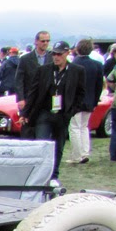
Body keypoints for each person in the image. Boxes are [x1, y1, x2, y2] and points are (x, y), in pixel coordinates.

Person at [26, 41, 86, 180]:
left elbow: (81, 93)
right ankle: (40, 176)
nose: (56, 57)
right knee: (42, 144)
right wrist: (26, 113)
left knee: (58, 146)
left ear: (67, 53)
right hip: (44, 113)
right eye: (54, 54)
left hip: (63, 114)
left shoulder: (77, 70)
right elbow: (33, 92)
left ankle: (54, 176)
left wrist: (72, 111)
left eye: (59, 54)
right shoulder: (44, 70)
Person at [68, 39, 103, 165]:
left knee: (74, 128)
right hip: (90, 100)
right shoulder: (97, 65)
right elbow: (99, 86)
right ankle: (84, 153)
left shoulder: (73, 64)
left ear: (77, 49)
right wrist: (95, 101)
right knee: (84, 127)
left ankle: (77, 156)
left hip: (75, 101)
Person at [16, 31, 51, 138]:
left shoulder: (51, 58)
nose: (45, 43)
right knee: (27, 131)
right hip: (28, 100)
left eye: (47, 41)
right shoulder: (25, 59)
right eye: (43, 41)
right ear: (36, 42)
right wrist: (21, 98)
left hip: (45, 102)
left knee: (43, 131)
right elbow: (19, 80)